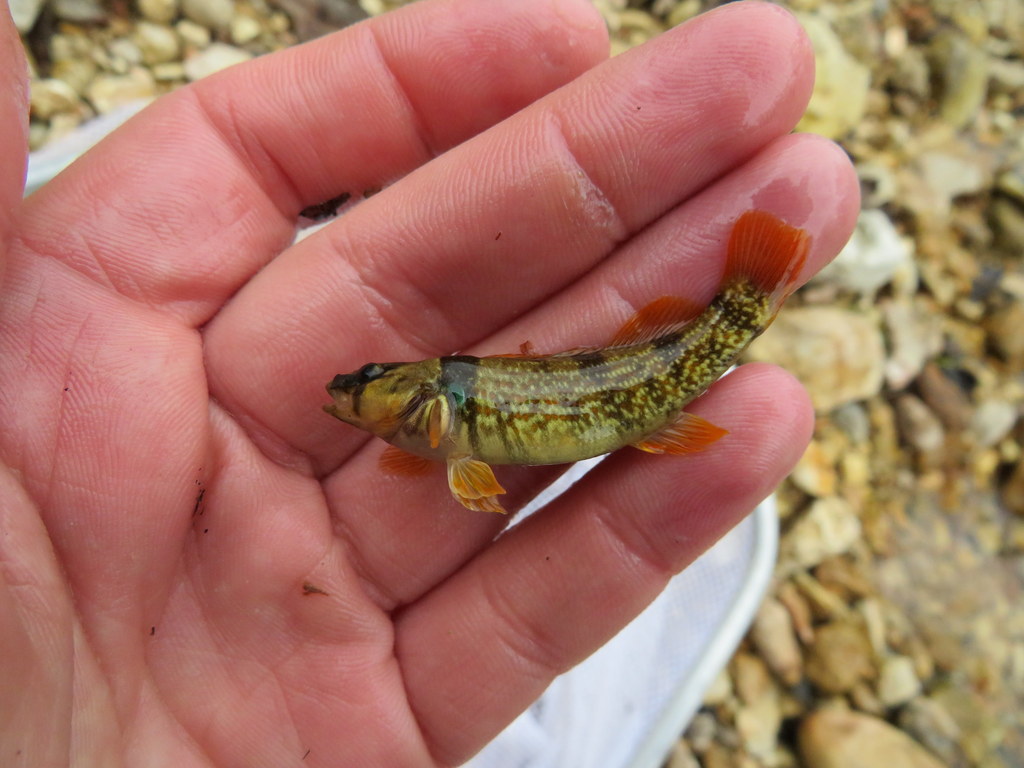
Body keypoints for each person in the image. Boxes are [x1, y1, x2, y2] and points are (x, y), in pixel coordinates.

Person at [0, 0, 858, 765]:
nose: (351, 390)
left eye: (367, 380)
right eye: (362, 382)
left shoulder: (439, 415)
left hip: (633, 384)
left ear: (413, 391)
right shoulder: (430, 435)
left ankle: (745, 304)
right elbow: (458, 474)